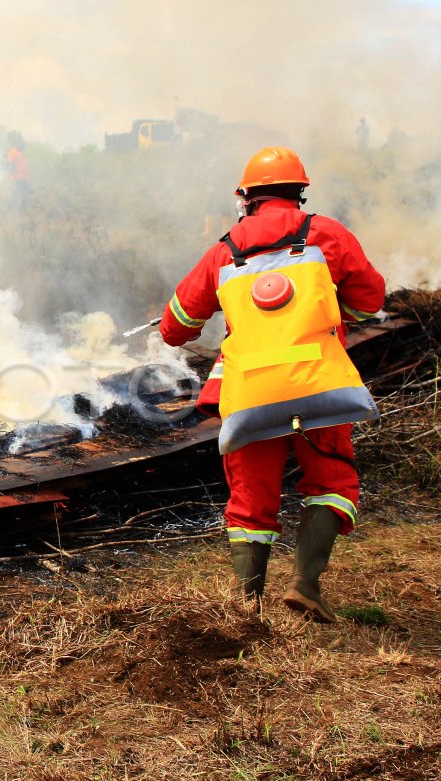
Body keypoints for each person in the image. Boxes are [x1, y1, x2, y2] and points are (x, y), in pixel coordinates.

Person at [159, 146, 385, 622]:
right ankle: (305, 586)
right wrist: (328, 314)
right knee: (332, 481)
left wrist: (231, 307)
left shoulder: (225, 249)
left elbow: (175, 324)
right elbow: (369, 302)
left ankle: (246, 609)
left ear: (246, 197)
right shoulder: (326, 234)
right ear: (300, 192)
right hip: (319, 385)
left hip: (250, 393)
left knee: (251, 497)